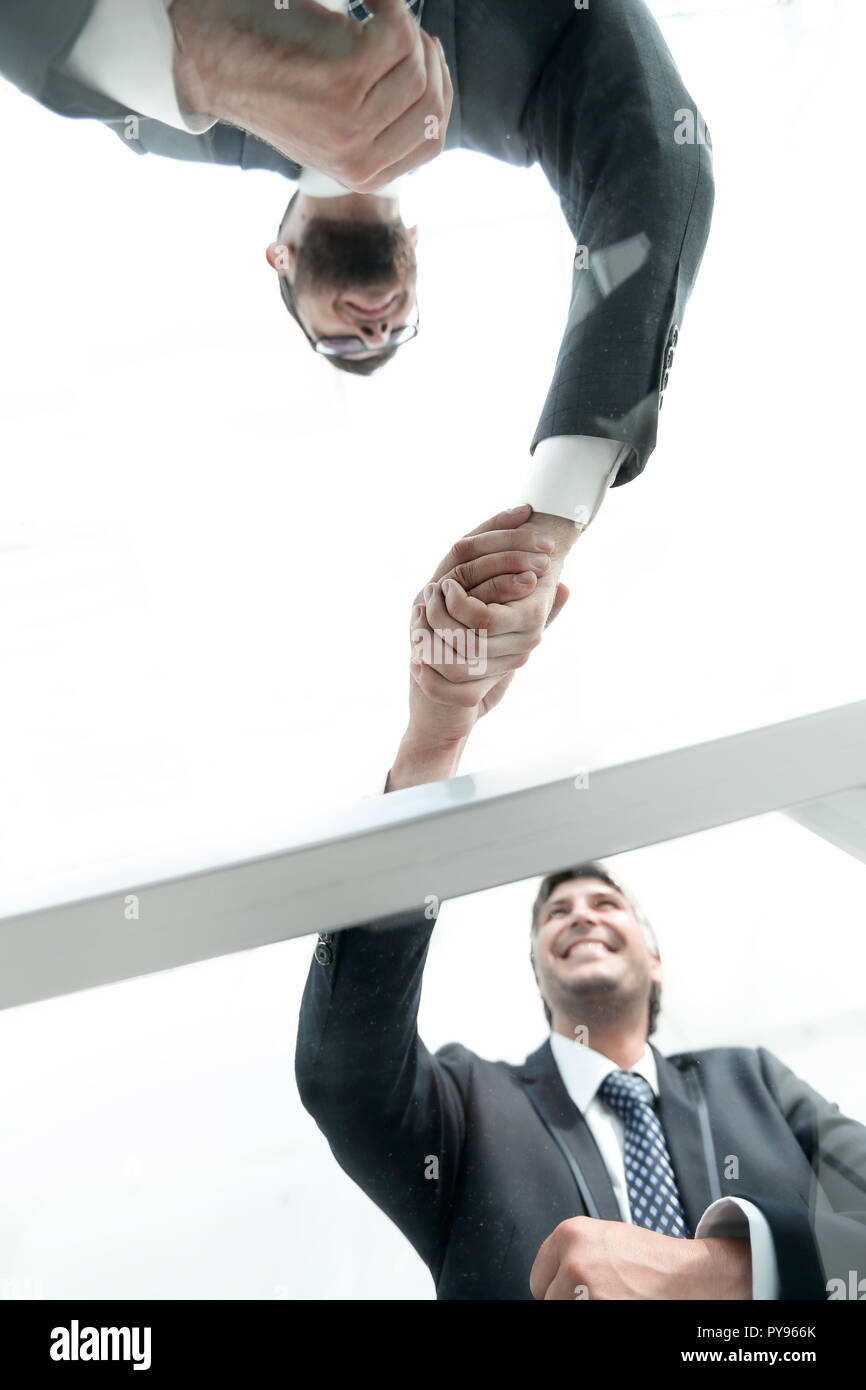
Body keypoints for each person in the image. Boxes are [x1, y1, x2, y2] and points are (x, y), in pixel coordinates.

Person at [294, 516, 866, 1298]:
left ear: (655, 957)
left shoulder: (754, 1085)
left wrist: (732, 1272)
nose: (581, 914)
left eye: (606, 902)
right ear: (538, 971)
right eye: (555, 914)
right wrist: (433, 742)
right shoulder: (469, 1109)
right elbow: (345, 1070)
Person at [0, 0, 714, 582]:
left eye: (340, 339)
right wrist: (548, 528)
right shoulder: (523, 92)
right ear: (416, 253)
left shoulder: (164, 119)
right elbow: (655, 159)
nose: (374, 332)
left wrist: (196, 60)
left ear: (280, 259)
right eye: (395, 333)